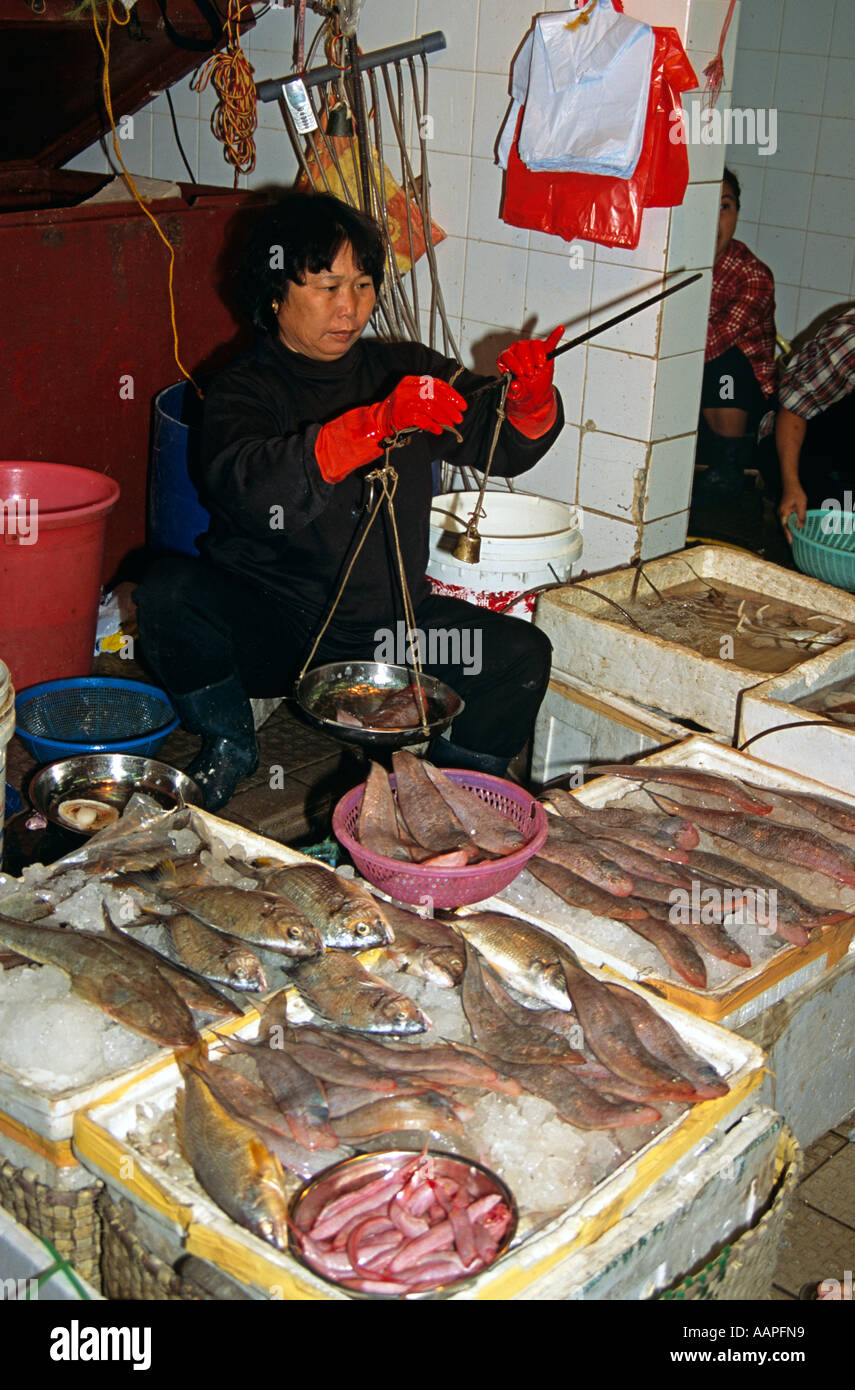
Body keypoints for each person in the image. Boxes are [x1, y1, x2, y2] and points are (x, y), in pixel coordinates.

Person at [135, 191, 565, 811]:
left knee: (518, 654)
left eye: (362, 285)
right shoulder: (242, 389)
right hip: (279, 631)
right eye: (326, 286)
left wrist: (528, 399)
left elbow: (497, 442)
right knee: (168, 593)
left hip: (395, 636)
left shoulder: (404, 367)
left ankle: (452, 793)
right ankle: (229, 743)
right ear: (276, 291)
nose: (349, 308)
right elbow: (253, 491)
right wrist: (375, 426)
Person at [693, 169, 776, 507]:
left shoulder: (753, 276)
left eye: (724, 206)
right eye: (705, 204)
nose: (714, 219)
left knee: (724, 364)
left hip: (743, 395)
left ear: (737, 214)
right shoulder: (674, 264)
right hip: (693, 388)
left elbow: (710, 343)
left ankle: (728, 465)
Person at [774, 308, 855, 542]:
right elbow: (793, 410)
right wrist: (791, 486)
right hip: (806, 451)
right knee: (837, 540)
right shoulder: (849, 338)